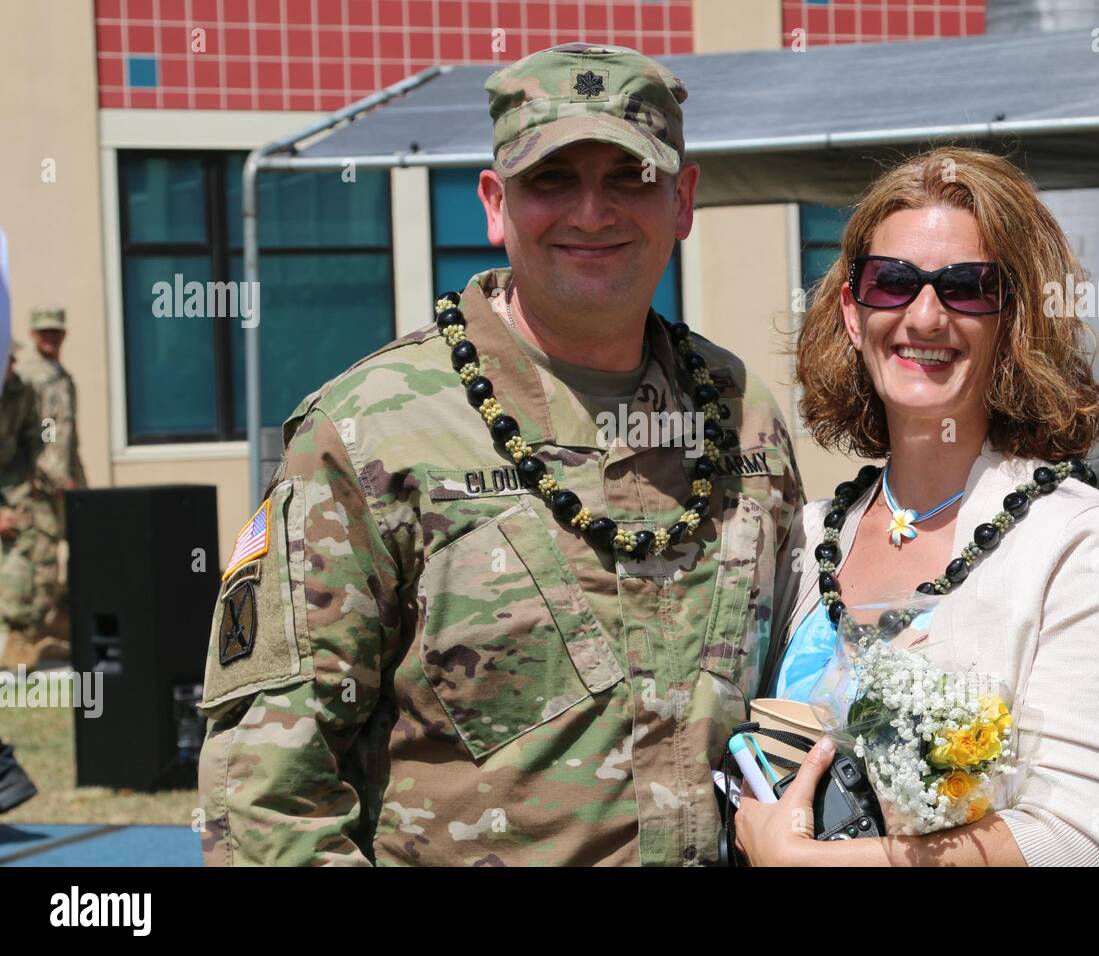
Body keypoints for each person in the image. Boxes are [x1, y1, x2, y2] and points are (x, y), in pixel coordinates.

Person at [196, 43, 803, 866]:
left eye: (631, 176)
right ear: (493, 202)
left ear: (683, 199)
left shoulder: (742, 417)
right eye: (552, 180)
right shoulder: (371, 433)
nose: (593, 213)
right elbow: (264, 797)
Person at [736, 147, 1099, 866]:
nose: (925, 315)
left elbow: (1078, 837)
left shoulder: (1080, 543)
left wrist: (804, 865)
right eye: (892, 281)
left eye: (966, 287)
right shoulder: (805, 539)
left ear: (1013, 318)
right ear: (851, 309)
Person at [17, 307, 86, 664]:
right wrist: (57, 478)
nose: (51, 338)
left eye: (56, 332)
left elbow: (66, 440)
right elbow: (41, 438)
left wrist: (79, 481)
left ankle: (61, 622)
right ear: (33, 335)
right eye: (44, 333)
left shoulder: (64, 378)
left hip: (70, 484)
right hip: (44, 488)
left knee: (86, 553)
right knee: (43, 565)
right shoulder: (32, 379)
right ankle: (27, 638)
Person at [0, 350, 45, 672]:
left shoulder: (22, 390)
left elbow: (34, 435)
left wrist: (31, 482)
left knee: (22, 543)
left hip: (11, 482)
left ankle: (17, 634)